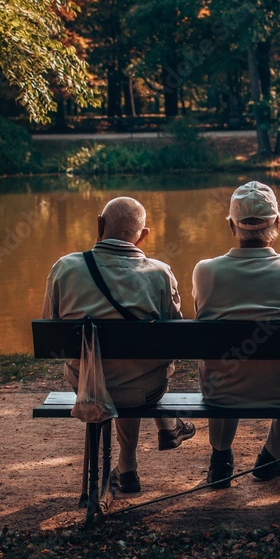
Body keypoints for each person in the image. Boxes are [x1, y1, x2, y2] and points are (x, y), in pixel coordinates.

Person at [42, 196, 194, 493]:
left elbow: (50, 325)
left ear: (99, 225)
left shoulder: (65, 268)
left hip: (85, 385)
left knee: (115, 371)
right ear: (143, 235)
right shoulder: (160, 273)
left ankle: (130, 465)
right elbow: (174, 337)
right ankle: (136, 456)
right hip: (145, 390)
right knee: (138, 371)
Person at [192, 181, 280, 488]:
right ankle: (274, 457)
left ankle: (220, 460)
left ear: (231, 226)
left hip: (224, 391)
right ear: (278, 224)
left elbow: (203, 318)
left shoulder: (205, 271)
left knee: (223, 363)